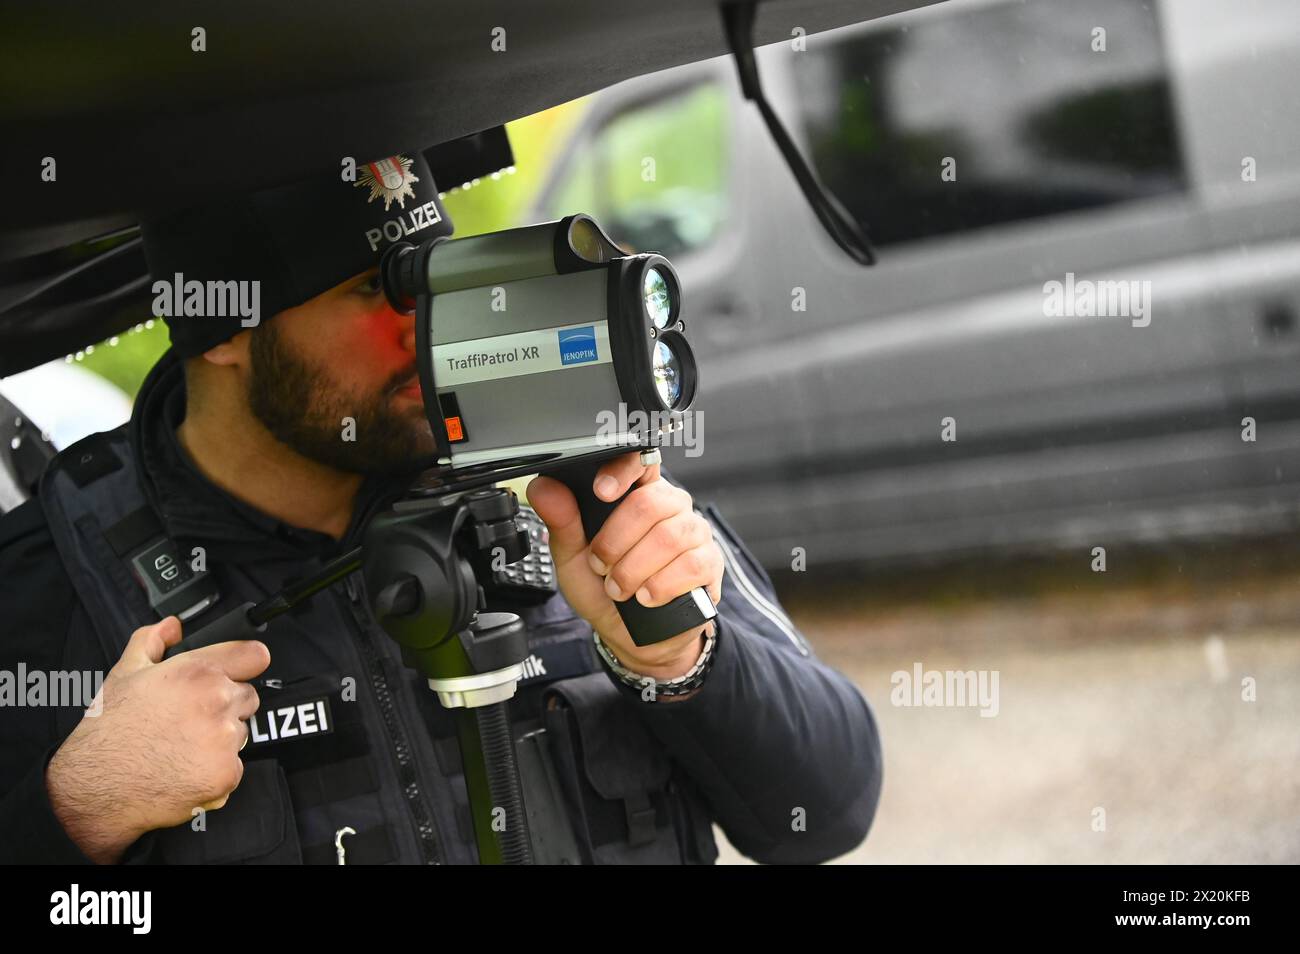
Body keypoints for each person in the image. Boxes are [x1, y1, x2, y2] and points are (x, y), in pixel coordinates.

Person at [0, 149, 883, 865]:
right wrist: (75, 811)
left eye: (433, 281)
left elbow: (831, 808)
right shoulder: (56, 586)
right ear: (225, 331)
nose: (424, 328)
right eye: (371, 291)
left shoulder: (568, 485)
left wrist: (682, 659)